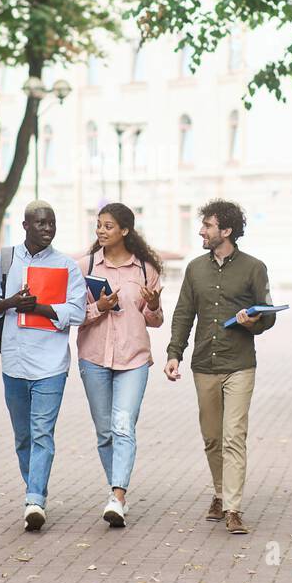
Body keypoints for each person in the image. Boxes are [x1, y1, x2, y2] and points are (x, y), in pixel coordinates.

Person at [164, 199, 277, 534]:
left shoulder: (254, 268)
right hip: (204, 364)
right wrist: (174, 353)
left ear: (226, 231)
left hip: (239, 363)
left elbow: (267, 315)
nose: (201, 231)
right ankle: (218, 492)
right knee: (213, 438)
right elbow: (184, 313)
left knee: (233, 437)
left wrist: (251, 321)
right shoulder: (195, 268)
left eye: (208, 226)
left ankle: (232, 507)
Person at [0, 200, 86, 531]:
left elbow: (78, 311)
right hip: (14, 361)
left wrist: (43, 308)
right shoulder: (6, 260)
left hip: (51, 364)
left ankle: (35, 499)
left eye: (52, 223)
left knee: (42, 434)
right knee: (23, 436)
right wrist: (11, 303)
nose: (48, 229)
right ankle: (34, 488)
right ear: (25, 226)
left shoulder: (67, 266)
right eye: (41, 223)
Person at [75, 203, 164, 528]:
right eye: (98, 225)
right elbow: (73, 315)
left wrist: (153, 305)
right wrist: (98, 306)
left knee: (123, 425)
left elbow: (154, 320)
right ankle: (115, 490)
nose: (101, 231)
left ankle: (118, 496)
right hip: (94, 357)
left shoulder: (144, 269)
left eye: (108, 226)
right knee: (104, 432)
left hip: (133, 358)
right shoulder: (83, 266)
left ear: (125, 230)